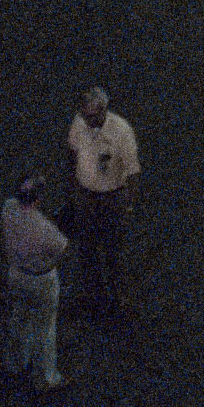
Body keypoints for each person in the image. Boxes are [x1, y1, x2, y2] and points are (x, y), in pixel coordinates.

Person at [65, 85, 141, 316]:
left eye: (93, 116)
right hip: (87, 195)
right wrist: (74, 185)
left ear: (104, 110)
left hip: (112, 197)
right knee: (87, 250)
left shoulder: (121, 131)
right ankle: (93, 297)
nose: (88, 121)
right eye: (85, 115)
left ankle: (119, 300)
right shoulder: (79, 123)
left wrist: (128, 204)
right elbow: (72, 151)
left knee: (114, 251)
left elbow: (133, 171)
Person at [0, 174, 70, 386]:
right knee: (45, 328)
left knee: (19, 317)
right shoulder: (44, 228)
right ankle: (46, 377)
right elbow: (62, 249)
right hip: (42, 280)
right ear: (37, 199)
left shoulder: (8, 209)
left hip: (16, 274)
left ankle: (15, 362)